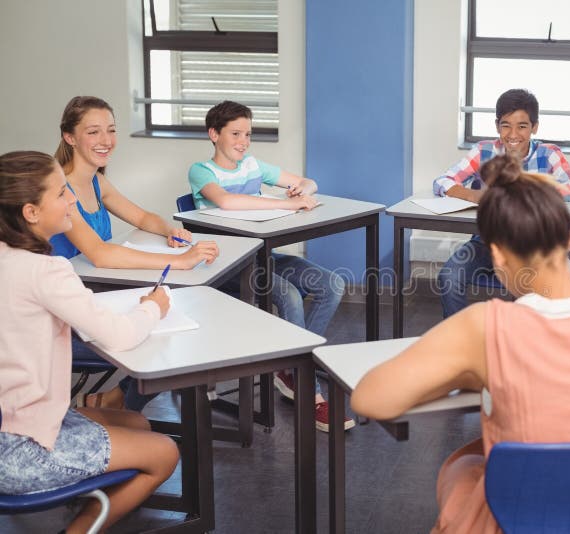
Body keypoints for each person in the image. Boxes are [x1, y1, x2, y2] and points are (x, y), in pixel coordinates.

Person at [353, 154, 570, 533]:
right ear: (568, 238)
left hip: (521, 518)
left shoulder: (485, 328)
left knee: (464, 467)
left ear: (496, 254)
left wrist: (472, 373)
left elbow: (370, 398)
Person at [0, 151, 179, 534]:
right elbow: (119, 335)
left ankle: (77, 503)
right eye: (62, 193)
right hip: (22, 450)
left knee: (136, 422)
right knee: (165, 452)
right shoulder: (46, 271)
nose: (72, 200)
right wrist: (153, 307)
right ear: (31, 212)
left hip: (14, 421)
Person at [190, 100, 351, 432]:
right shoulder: (202, 171)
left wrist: (299, 190)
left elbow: (309, 183)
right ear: (213, 134)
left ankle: (292, 368)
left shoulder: (252, 165)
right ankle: (309, 393)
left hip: (266, 258)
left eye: (248, 134)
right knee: (289, 295)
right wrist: (287, 205)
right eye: (235, 133)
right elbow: (227, 202)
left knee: (332, 284)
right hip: (230, 267)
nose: (243, 142)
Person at [51, 95, 220, 411]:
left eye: (111, 130)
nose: (106, 141)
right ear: (69, 137)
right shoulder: (59, 191)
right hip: (66, 317)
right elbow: (100, 254)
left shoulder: (97, 181)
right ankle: (123, 408)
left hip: (96, 296)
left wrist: (170, 230)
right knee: (166, 334)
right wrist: (181, 261)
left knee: (177, 319)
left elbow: (142, 218)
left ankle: (117, 403)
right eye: (94, 132)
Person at [433, 88, 570, 318]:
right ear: (497, 126)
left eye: (522, 126)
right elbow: (442, 182)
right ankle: (461, 338)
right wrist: (473, 195)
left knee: (527, 291)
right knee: (449, 277)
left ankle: (520, 344)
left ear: (534, 127)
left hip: (533, 246)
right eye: (506, 125)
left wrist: (525, 187)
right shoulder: (484, 150)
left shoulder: (548, 153)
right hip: (486, 244)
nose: (513, 134)